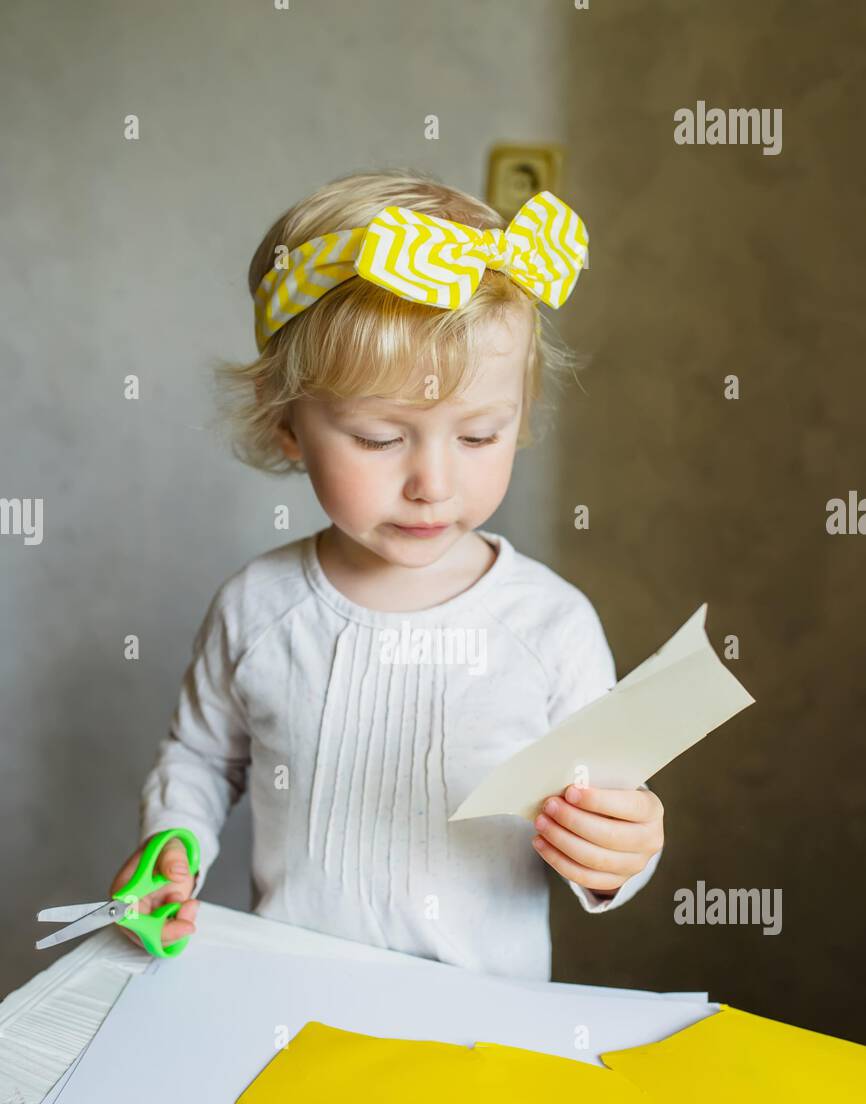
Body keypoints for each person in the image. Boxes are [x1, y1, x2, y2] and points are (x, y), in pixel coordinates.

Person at [110, 168, 664, 979]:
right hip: (291, 1005)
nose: (432, 483)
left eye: (478, 436)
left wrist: (619, 851)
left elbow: (607, 816)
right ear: (288, 426)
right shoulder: (258, 608)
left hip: (486, 1032)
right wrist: (174, 837)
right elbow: (200, 758)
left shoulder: (552, 628)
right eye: (377, 437)